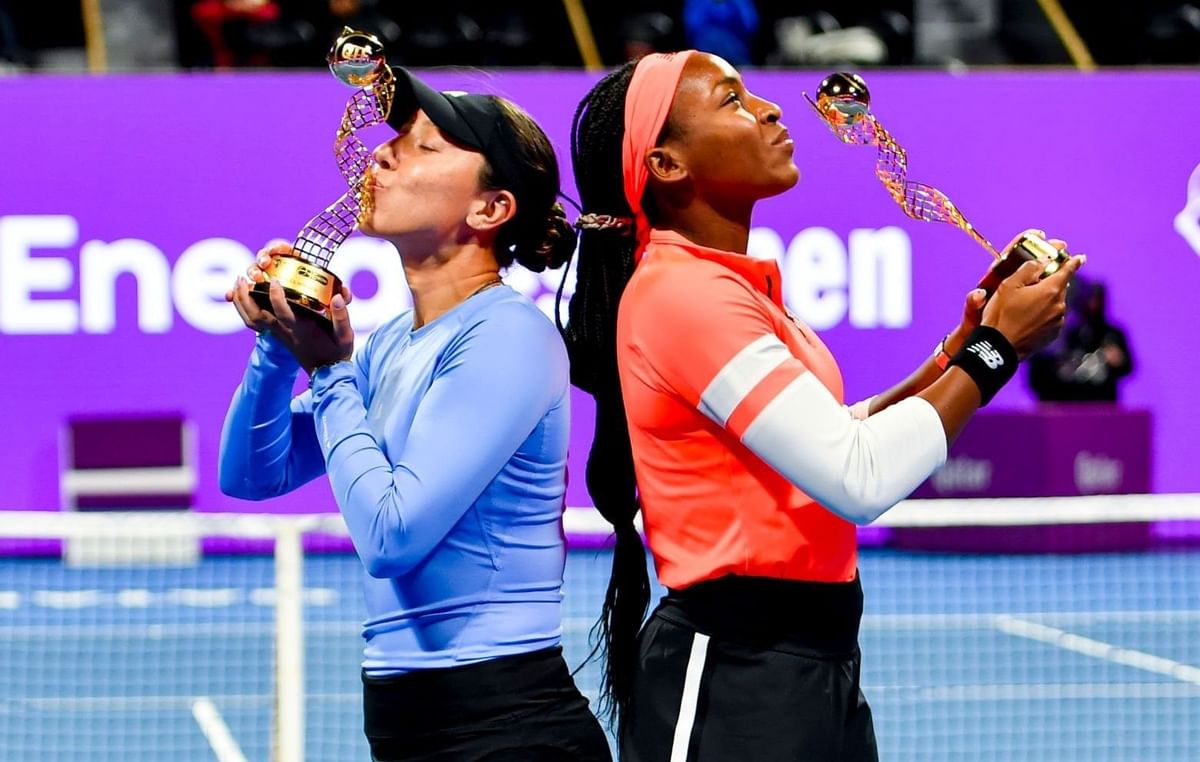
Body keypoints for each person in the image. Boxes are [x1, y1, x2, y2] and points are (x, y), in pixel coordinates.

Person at [562, 51, 1083, 760]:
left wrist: (952, 354)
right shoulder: (682, 295)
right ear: (667, 165)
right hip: (736, 675)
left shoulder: (731, 289)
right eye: (732, 100)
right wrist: (995, 350)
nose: (771, 109)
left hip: (813, 661)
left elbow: (835, 435)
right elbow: (858, 478)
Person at [219, 69, 610, 762]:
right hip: (412, 727)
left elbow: (392, 536)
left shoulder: (506, 336)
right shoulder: (395, 342)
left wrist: (331, 371)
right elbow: (252, 477)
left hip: (506, 730)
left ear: (490, 209)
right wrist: (278, 349)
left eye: (424, 147)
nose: (383, 154)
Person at [1028, 276, 1133, 402]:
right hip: (1058, 406)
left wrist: (1118, 361)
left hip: (1100, 406)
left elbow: (1127, 367)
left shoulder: (1111, 334)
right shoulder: (1051, 332)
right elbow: (1035, 376)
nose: (1092, 304)